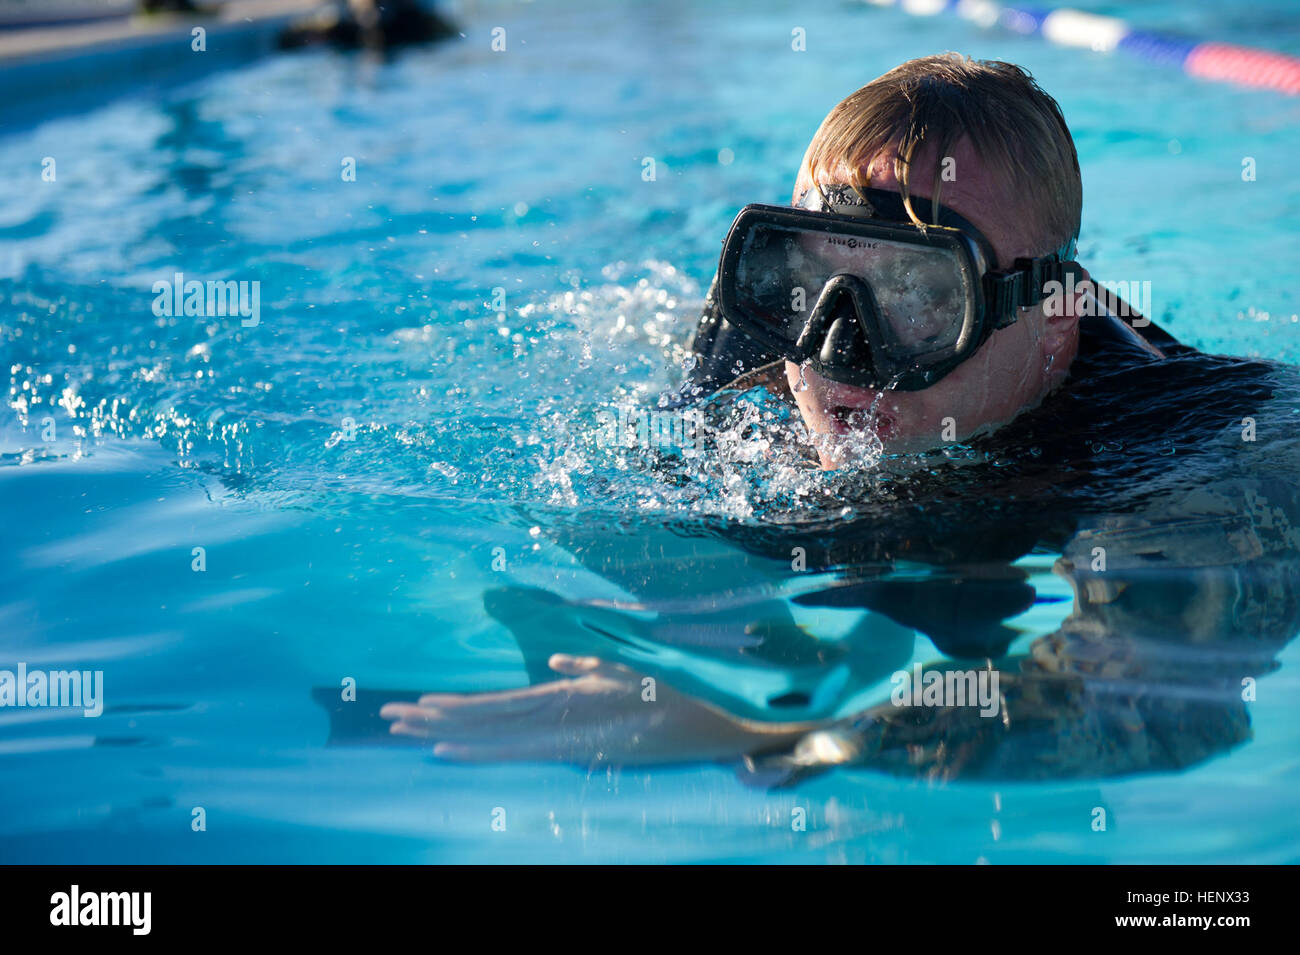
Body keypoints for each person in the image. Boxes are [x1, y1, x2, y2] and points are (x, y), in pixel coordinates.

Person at [367, 55, 1297, 782]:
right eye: (811, 274)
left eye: (919, 294)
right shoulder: (763, 347)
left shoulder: (1214, 443)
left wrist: (770, 735)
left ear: (1052, 323)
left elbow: (1162, 706)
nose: (835, 350)